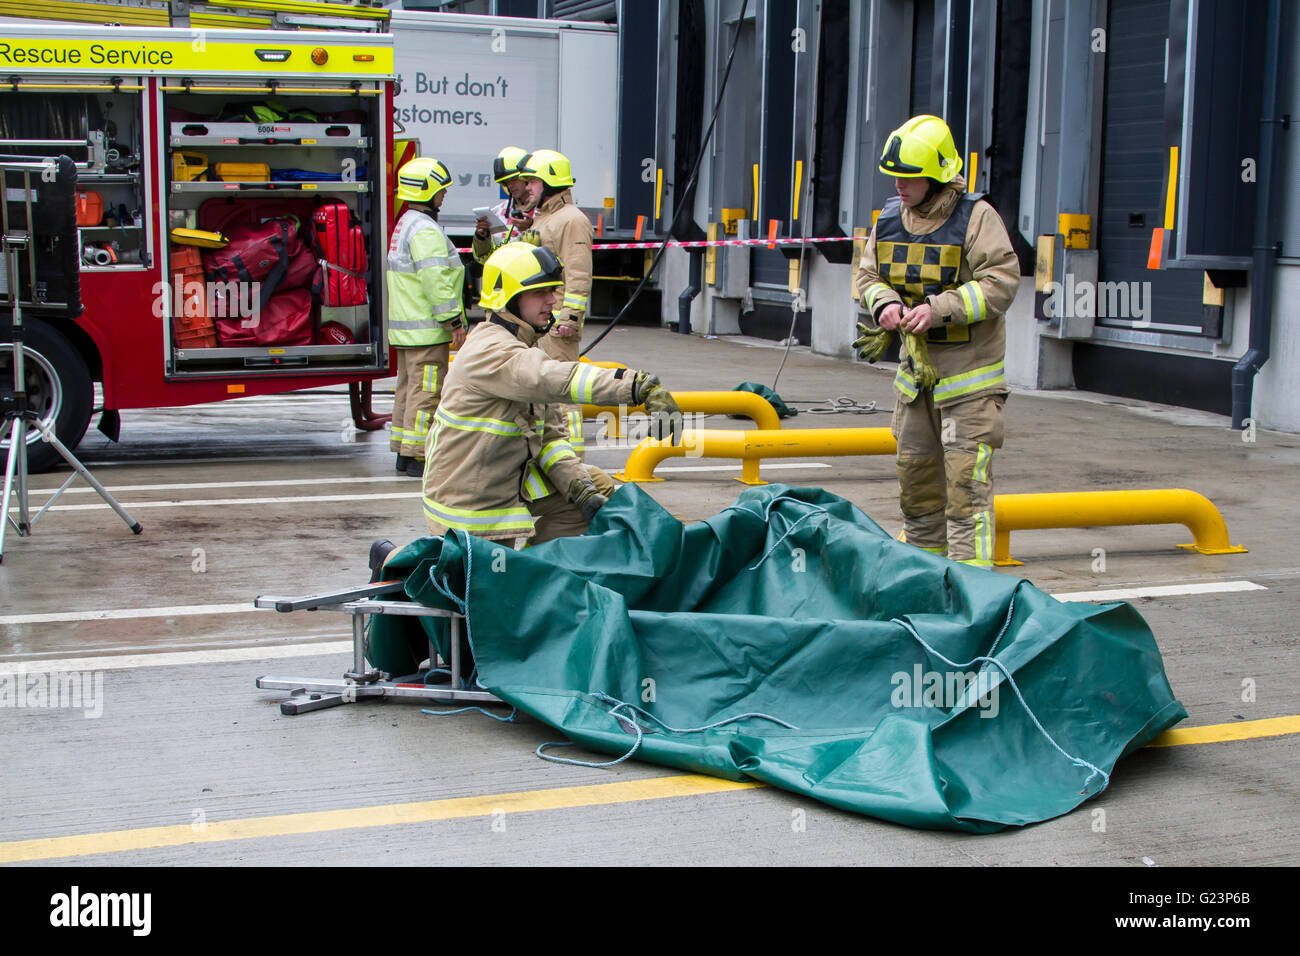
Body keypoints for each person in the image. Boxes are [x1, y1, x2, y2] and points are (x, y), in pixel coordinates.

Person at [420, 241, 680, 546]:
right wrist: (636, 386)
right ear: (508, 299)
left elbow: (550, 439)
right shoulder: (491, 350)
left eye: (552, 290)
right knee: (477, 588)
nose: (552, 300)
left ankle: (534, 568)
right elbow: (559, 378)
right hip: (469, 501)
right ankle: (391, 558)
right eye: (539, 292)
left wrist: (578, 489)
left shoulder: (525, 344)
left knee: (594, 484)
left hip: (502, 479)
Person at [852, 114, 1020, 566]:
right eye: (895, 178)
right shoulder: (889, 220)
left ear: (936, 177)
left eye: (908, 178)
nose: (899, 187)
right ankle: (928, 584)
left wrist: (939, 309)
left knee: (966, 497)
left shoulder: (977, 218)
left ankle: (972, 593)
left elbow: (1002, 282)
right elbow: (866, 275)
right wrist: (883, 303)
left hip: (969, 385)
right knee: (918, 492)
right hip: (916, 386)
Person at [387, 156, 467, 478]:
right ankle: (419, 456)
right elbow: (436, 281)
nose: (443, 196)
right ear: (428, 190)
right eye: (441, 191)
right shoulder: (425, 230)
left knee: (407, 392)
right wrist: (454, 321)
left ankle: (404, 454)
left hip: (407, 333)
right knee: (426, 395)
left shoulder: (405, 224)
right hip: (427, 332)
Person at [512, 148, 594, 458]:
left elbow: (577, 272)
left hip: (556, 326)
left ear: (548, 181)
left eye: (531, 182)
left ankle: (571, 458)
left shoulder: (571, 220)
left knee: (563, 393)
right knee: (542, 392)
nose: (527, 188)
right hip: (540, 324)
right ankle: (549, 454)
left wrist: (569, 319)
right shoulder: (546, 218)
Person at [470, 145, 533, 262]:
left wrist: (529, 229)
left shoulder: (542, 212)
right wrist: (482, 238)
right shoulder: (496, 213)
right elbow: (482, 259)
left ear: (526, 177)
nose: (510, 185)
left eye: (514, 179)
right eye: (506, 182)